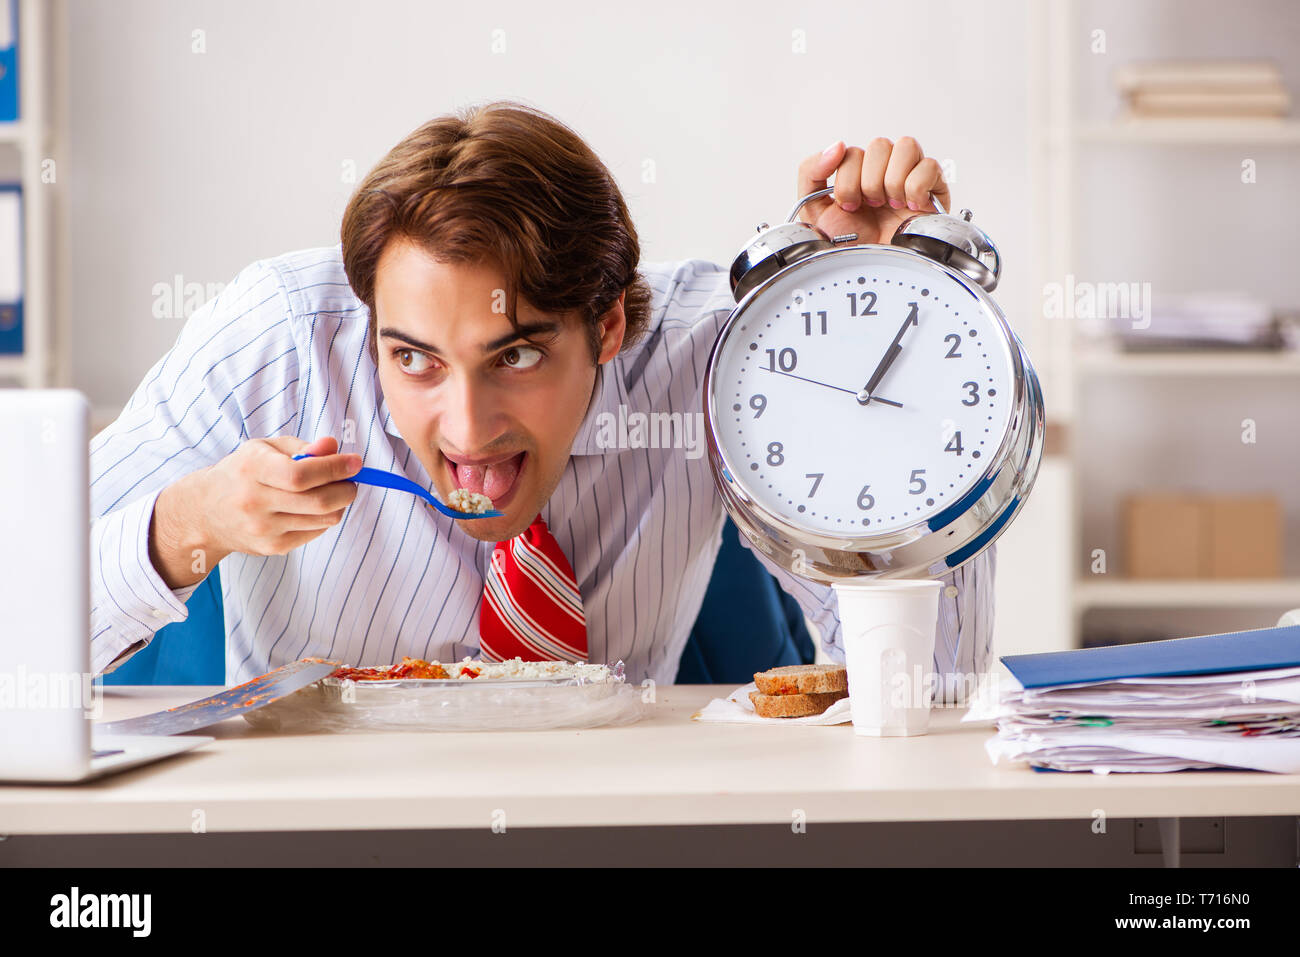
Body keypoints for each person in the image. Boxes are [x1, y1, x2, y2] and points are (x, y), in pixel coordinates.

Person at [90, 100, 994, 696]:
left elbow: (929, 684)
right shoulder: (279, 339)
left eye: (515, 355)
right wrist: (186, 523)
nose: (468, 428)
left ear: (606, 327)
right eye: (414, 360)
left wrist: (884, 311)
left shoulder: (727, 350)